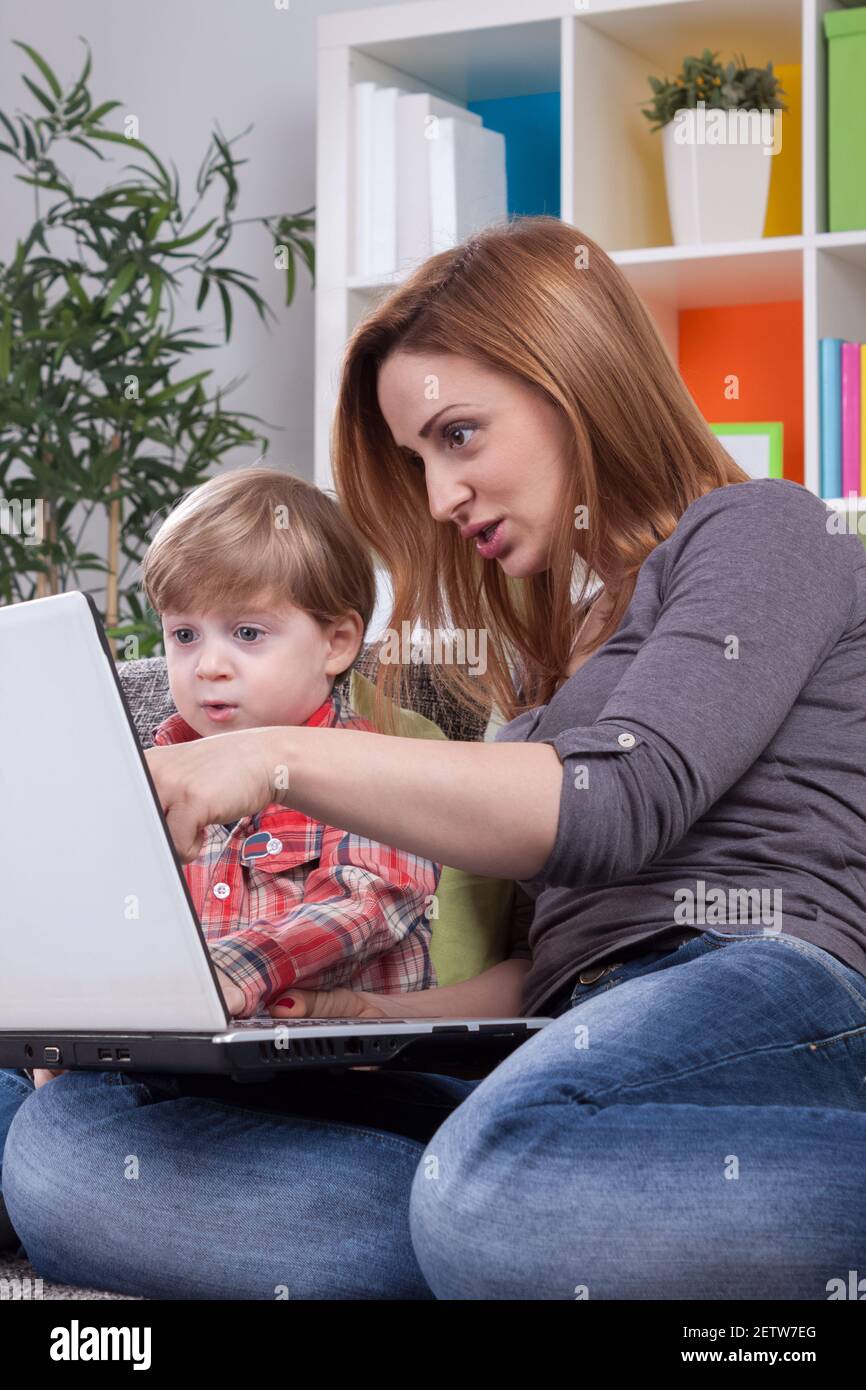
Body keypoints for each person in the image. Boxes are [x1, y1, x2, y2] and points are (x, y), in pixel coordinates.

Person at [3, 216, 866, 1300]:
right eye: (418, 460)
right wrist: (363, 1023)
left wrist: (274, 756)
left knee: (490, 1189)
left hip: (766, 989)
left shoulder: (764, 530)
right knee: (74, 1132)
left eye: (457, 435)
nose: (437, 497)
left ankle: (508, 1225)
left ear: (575, 380)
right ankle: (538, 1246)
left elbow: (616, 805)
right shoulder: (562, 666)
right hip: (573, 1042)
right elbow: (558, 966)